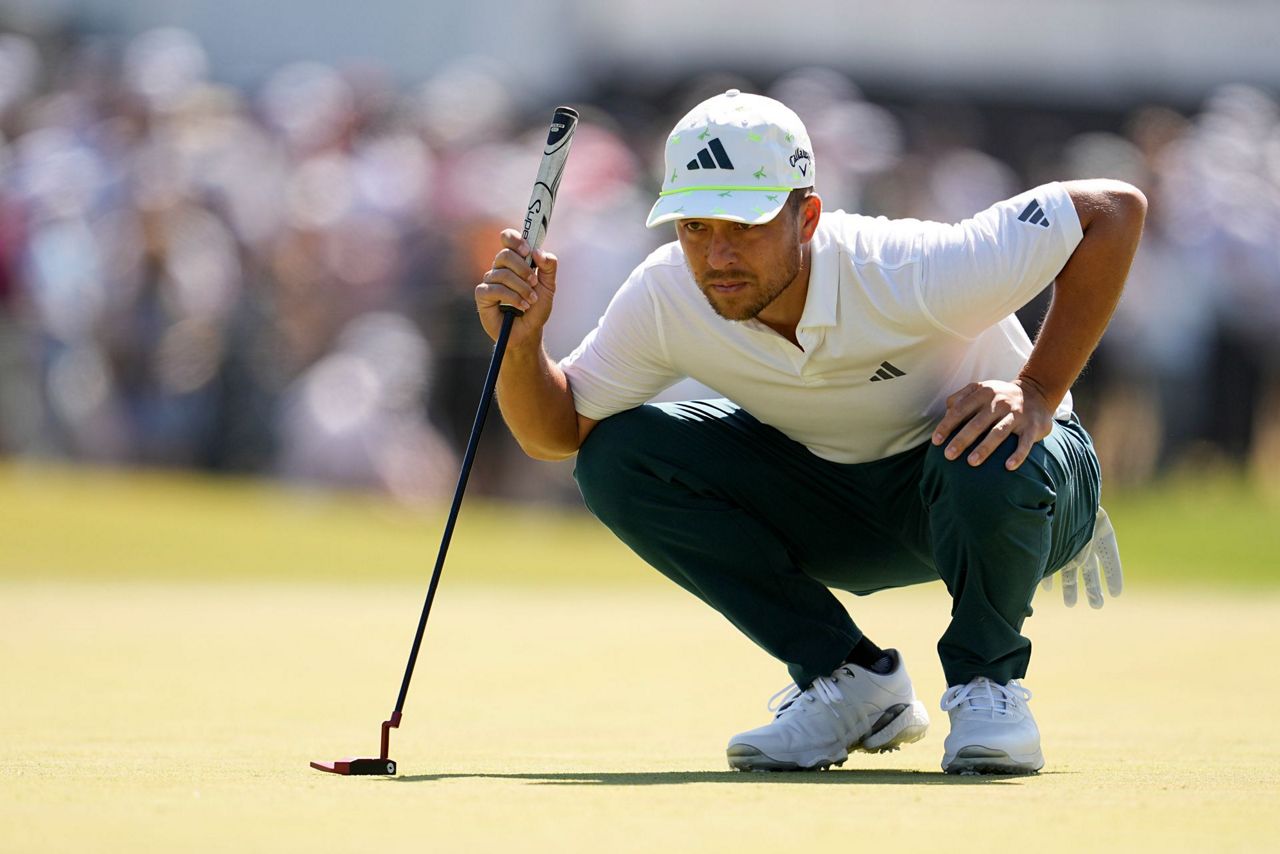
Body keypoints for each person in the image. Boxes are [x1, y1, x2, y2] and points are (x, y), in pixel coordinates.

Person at [474, 90, 1143, 775]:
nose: (718, 254)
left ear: (809, 216)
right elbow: (555, 434)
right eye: (695, 226)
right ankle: (850, 681)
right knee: (616, 455)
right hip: (850, 500)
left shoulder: (910, 267)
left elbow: (1113, 210)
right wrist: (523, 344)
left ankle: (988, 686)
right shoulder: (667, 294)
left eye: (746, 224)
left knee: (982, 439)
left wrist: (1036, 390)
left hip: (1014, 479)